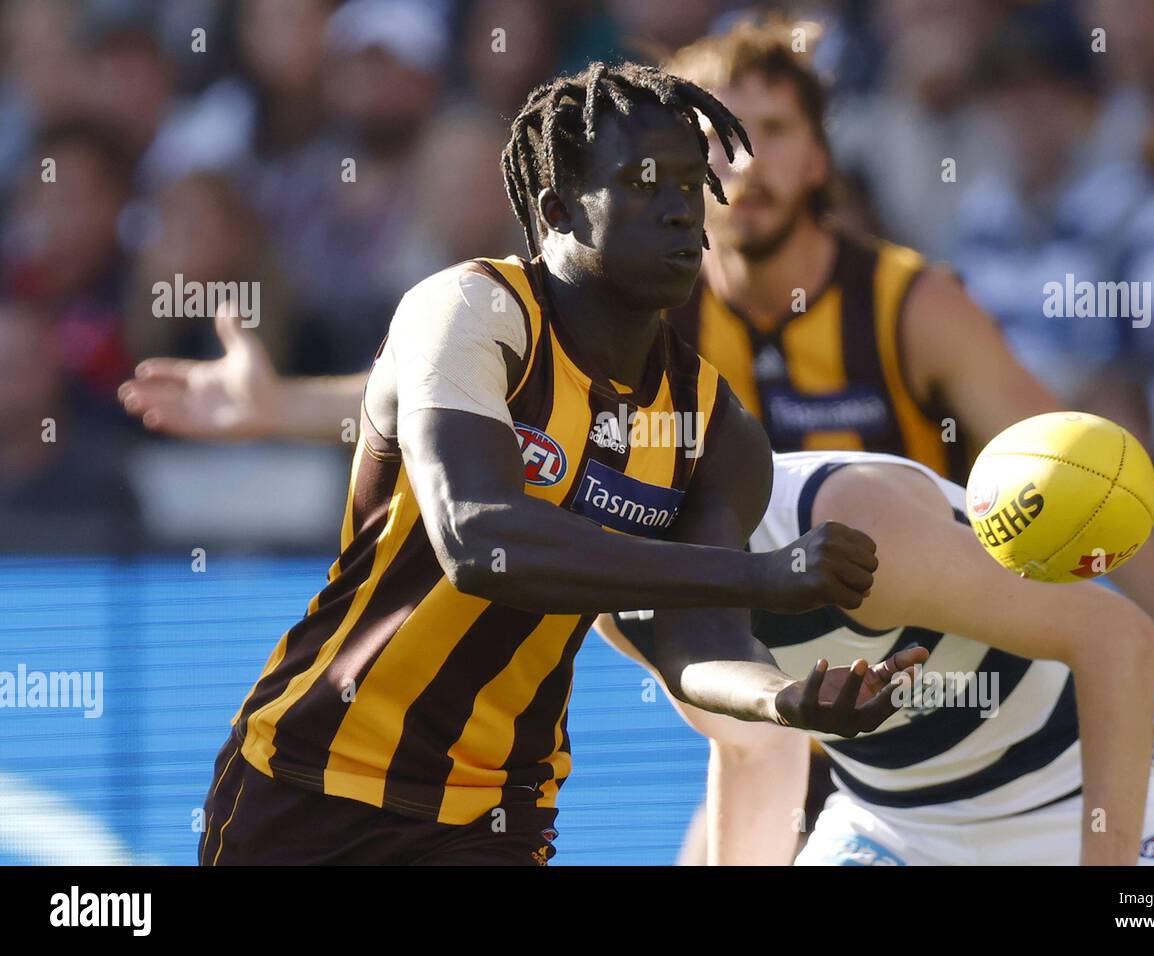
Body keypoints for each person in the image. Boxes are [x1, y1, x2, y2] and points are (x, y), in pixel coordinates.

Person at [193, 61, 925, 866]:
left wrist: (785, 700)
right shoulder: (470, 311)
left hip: (493, 816)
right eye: (647, 186)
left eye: (692, 185)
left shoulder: (716, 430)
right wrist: (764, 575)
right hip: (309, 780)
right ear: (556, 209)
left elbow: (695, 643)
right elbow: (479, 542)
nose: (685, 213)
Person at [603, 449, 1154, 865]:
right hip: (891, 829)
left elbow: (1116, 637)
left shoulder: (841, 522)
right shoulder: (611, 598)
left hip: (1077, 802)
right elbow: (756, 749)